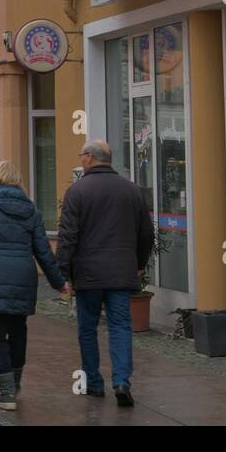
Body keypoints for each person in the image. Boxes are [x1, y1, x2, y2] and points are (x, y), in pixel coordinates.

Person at [56, 139, 154, 408]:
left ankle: (94, 383)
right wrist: (140, 262)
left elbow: (67, 237)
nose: (81, 159)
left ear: (89, 158)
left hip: (88, 273)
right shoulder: (132, 190)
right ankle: (121, 382)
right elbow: (147, 232)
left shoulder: (77, 192)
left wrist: (61, 273)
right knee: (121, 326)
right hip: (121, 271)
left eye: (81, 156)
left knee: (87, 328)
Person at [0, 160, 66, 412]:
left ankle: (6, 392)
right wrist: (59, 282)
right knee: (18, 330)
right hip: (23, 278)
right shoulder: (31, 209)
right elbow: (43, 250)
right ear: (17, 181)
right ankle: (15, 382)